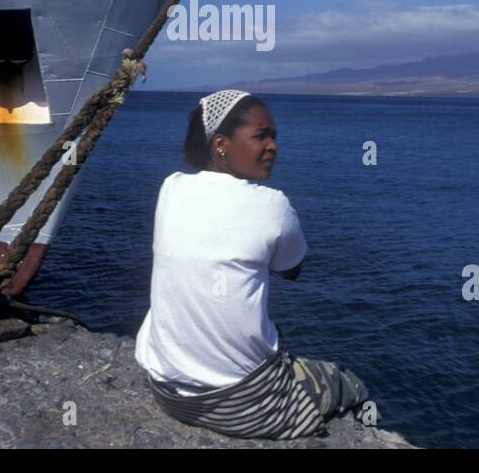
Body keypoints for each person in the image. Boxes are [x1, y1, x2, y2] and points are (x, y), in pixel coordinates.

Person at [134, 89, 370, 439]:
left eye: (274, 136)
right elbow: (291, 268)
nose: (273, 146)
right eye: (261, 136)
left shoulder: (171, 187)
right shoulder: (272, 205)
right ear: (220, 144)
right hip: (243, 406)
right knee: (349, 384)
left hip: (168, 392)